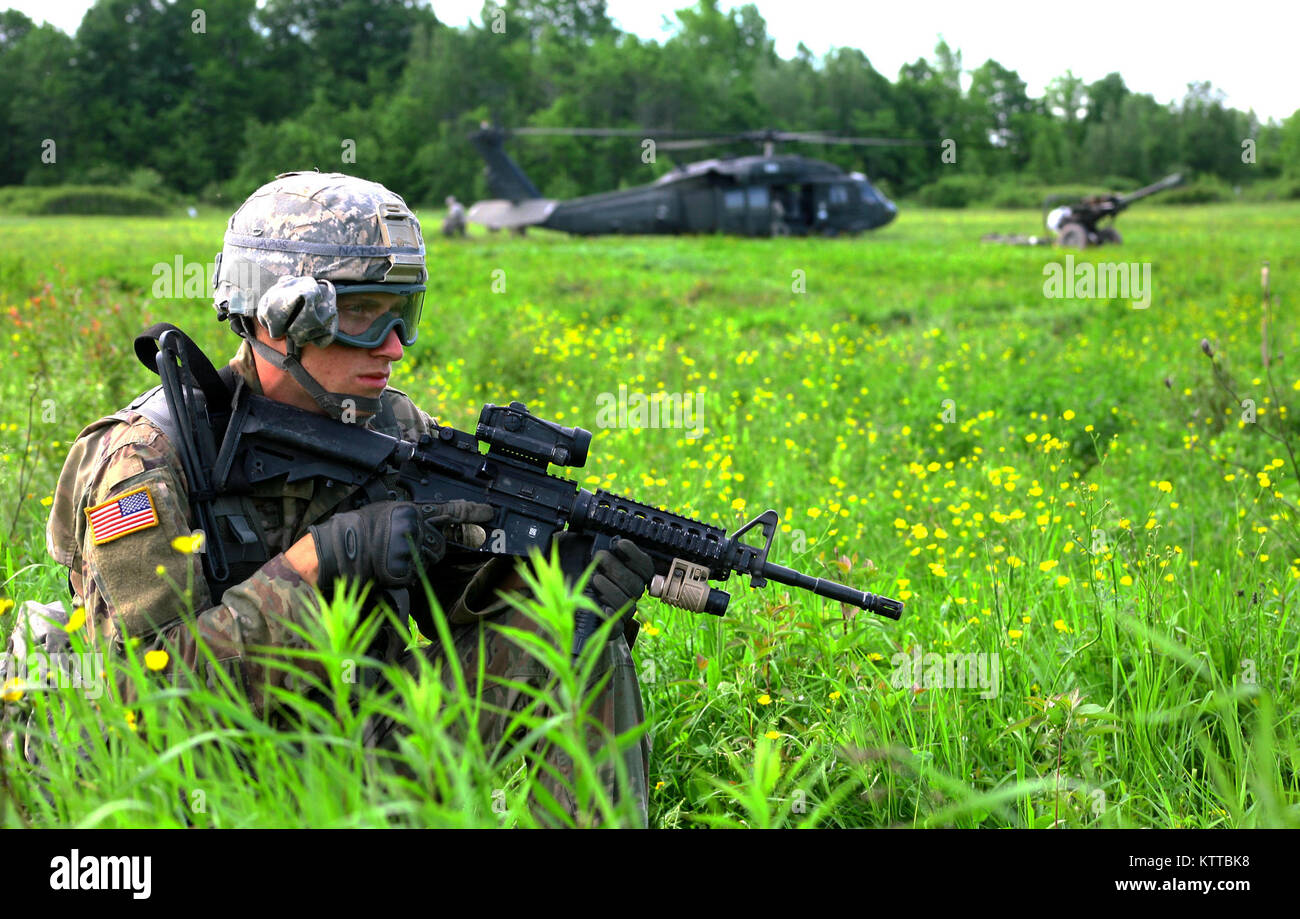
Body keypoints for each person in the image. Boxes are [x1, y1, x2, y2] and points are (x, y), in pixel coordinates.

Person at [23, 171, 656, 824]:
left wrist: (557, 573)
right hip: (204, 784)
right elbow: (144, 699)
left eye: (402, 316)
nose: (392, 348)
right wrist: (321, 559)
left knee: (574, 626)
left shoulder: (391, 427)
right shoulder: (147, 459)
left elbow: (457, 596)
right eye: (359, 315)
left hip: (359, 747)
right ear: (276, 313)